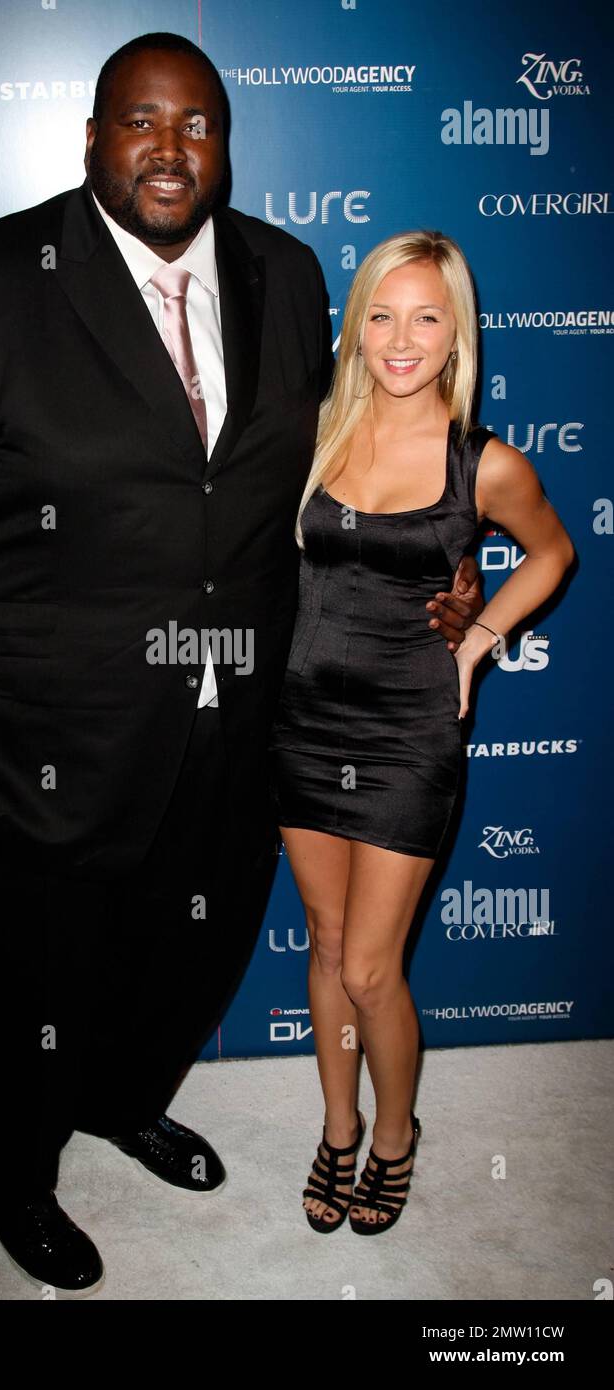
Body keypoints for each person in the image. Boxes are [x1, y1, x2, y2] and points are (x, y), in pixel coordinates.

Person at [0, 32, 485, 1297]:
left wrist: (449, 564)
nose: (169, 148)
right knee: (21, 961)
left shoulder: (285, 271)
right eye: (140, 122)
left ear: (226, 146)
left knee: (184, 946)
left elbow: (357, 455)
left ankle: (122, 1097)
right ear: (92, 138)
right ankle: (10, 1168)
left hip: (238, 711)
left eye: (197, 124)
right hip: (41, 720)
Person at [268, 230, 575, 1236]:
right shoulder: (313, 430)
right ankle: (338, 1126)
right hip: (302, 719)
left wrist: (476, 640)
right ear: (357, 326)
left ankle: (395, 1136)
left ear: (457, 335)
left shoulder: (483, 464)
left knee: (368, 967)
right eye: (383, 315)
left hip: (407, 730)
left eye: (427, 317)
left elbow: (553, 551)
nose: (402, 339)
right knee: (322, 945)